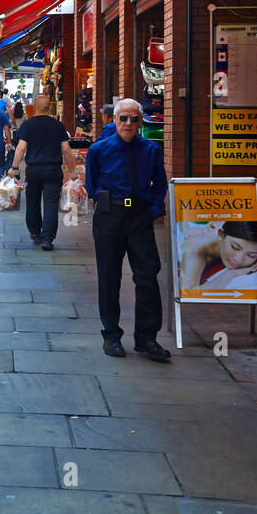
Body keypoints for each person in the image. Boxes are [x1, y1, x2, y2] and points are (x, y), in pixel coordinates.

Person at [84, 98, 171, 362]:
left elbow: (160, 184)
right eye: (123, 118)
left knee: (147, 276)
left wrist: (154, 210)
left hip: (140, 217)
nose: (128, 124)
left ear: (141, 122)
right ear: (115, 120)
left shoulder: (151, 150)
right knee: (110, 278)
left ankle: (146, 338)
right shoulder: (99, 150)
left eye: (134, 119)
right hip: (111, 217)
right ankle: (111, 336)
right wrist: (105, 199)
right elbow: (92, 183)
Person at [7, 96, 76, 249]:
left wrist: (14, 167)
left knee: (32, 201)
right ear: (49, 108)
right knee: (50, 203)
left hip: (33, 169)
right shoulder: (58, 126)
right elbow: (66, 150)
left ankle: (35, 234)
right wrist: (72, 171)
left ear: (34, 108)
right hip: (53, 168)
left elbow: (21, 148)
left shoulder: (27, 125)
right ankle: (47, 238)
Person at [179, 220, 257, 291]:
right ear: (221, 235)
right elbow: (188, 293)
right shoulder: (196, 249)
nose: (238, 260)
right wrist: (231, 274)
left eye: (251, 255)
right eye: (234, 247)